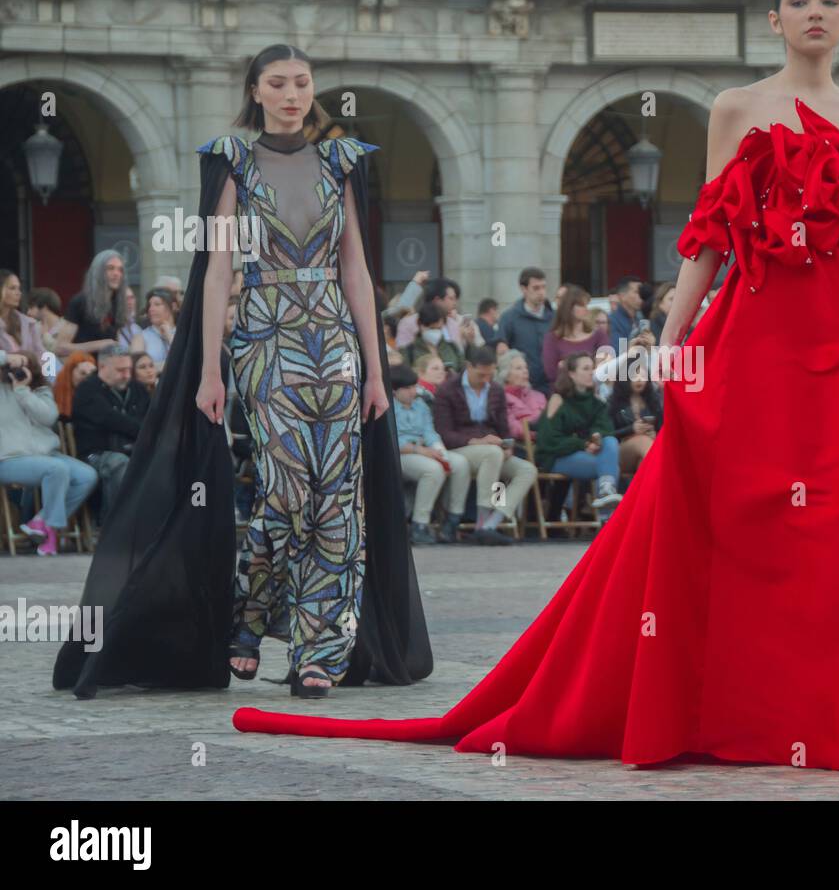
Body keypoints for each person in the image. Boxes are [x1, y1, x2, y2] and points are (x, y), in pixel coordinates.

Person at [232, 0, 839, 775]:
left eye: (829, 2)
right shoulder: (736, 109)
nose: (814, 12)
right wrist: (673, 336)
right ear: (774, 21)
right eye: (797, 2)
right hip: (765, 340)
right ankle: (775, 716)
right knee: (760, 526)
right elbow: (710, 234)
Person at [54, 43, 431, 700]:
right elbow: (218, 270)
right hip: (264, 334)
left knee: (337, 497)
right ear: (255, 91)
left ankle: (319, 651)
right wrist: (208, 369)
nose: (292, 94)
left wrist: (377, 369)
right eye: (278, 83)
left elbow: (358, 271)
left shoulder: (342, 160)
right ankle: (250, 617)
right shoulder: (230, 160)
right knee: (288, 491)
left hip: (334, 336)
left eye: (303, 82)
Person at [432, 345, 539, 545]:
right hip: (461, 448)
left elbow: (503, 427)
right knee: (492, 454)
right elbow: (444, 433)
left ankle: (492, 521)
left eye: (489, 375)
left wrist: (507, 445)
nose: (485, 380)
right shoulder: (448, 390)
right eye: (481, 375)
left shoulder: (496, 389)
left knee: (527, 470)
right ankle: (482, 522)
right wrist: (476, 442)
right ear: (468, 367)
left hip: (491, 450)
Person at [0, 350, 98, 556]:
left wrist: (23, 391)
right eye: (15, 367)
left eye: (25, 367)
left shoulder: (41, 391)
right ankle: (50, 532)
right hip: (9, 459)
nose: (18, 371)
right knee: (56, 469)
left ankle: (42, 521)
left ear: (33, 370)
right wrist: (7, 358)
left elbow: (48, 418)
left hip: (46, 456)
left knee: (87, 476)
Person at [536, 353, 625, 520]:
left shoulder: (596, 401)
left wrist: (596, 437)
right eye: (585, 369)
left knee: (610, 441)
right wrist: (583, 444)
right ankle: (605, 516)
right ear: (571, 373)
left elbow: (605, 428)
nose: (591, 372)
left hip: (584, 453)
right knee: (610, 469)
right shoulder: (558, 400)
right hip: (556, 456)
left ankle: (606, 494)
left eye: (592, 368)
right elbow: (549, 440)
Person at [391, 362, 469, 546]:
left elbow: (429, 432)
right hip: (401, 454)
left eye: (414, 387)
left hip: (425, 450)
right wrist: (423, 450)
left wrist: (438, 449)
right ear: (394, 390)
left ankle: (453, 519)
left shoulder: (421, 406)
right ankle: (420, 524)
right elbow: (391, 440)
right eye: (408, 388)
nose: (413, 392)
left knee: (461, 463)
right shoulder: (389, 408)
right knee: (433, 470)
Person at [71, 345, 149, 521]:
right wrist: (145, 431)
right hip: (96, 453)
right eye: (120, 370)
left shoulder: (137, 389)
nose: (127, 375)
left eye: (129, 369)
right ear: (103, 367)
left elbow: (152, 417)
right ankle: (114, 525)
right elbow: (111, 420)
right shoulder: (87, 390)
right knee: (119, 463)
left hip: (135, 448)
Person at [56, 250, 130, 358]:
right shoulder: (80, 301)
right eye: (110, 268)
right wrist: (100, 345)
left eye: (120, 270)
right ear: (98, 272)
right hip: (84, 369)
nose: (116, 273)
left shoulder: (117, 303)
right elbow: (60, 348)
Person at [497, 267, 555, 394]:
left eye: (544, 287)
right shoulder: (509, 318)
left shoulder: (555, 318)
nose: (541, 292)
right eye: (536, 288)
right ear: (523, 289)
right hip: (524, 389)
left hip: (553, 387)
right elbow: (502, 353)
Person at [541, 284, 610, 388]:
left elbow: (604, 369)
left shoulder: (599, 335)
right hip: (563, 394)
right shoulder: (552, 338)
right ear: (569, 307)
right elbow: (551, 373)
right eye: (581, 305)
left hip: (593, 394)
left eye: (586, 305)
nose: (586, 309)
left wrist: (566, 367)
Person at [498, 348, 546, 440]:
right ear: (506, 375)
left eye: (526, 367)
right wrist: (538, 435)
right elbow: (512, 428)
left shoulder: (539, 396)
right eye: (519, 368)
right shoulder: (501, 399)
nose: (525, 371)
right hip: (526, 445)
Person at [129, 287, 178, 370]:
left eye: (157, 304)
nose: (151, 309)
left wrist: (170, 336)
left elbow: (189, 361)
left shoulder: (184, 333)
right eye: (149, 305)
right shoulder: (141, 337)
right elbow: (137, 367)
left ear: (173, 306)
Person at [0, 270, 43, 355]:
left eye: (19, 288)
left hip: (29, 367)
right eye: (12, 288)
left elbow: (41, 354)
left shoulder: (29, 323)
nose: (18, 293)